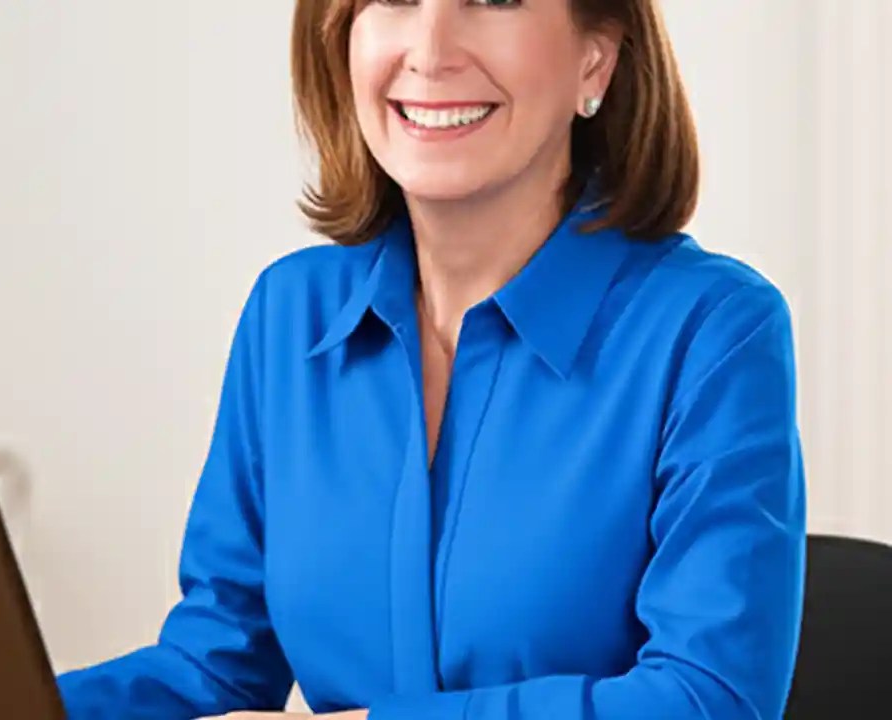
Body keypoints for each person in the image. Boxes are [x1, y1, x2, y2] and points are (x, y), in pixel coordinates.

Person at [56, 0, 807, 718]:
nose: (431, 51)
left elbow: (708, 701)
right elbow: (214, 668)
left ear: (596, 60)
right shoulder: (290, 316)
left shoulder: (711, 331)